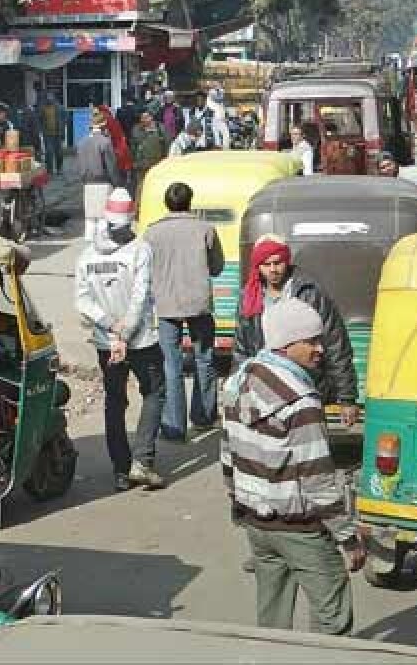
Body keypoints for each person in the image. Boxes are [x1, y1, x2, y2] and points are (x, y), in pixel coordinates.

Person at [222, 297, 365, 635]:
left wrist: (239, 506)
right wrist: (347, 537)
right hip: (300, 529)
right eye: (312, 341)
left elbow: (228, 455)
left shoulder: (237, 382)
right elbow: (318, 481)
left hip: (258, 524)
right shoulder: (301, 400)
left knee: (271, 622)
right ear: (287, 345)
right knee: (333, 616)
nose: (320, 350)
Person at [73, 188, 166, 491]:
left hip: (106, 342)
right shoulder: (140, 249)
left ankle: (121, 472)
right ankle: (142, 460)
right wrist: (124, 331)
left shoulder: (86, 256)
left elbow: (83, 302)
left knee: (115, 402)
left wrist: (109, 327)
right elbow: (140, 298)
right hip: (141, 340)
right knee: (154, 392)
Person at [234, 234, 359, 428]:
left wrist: (347, 398)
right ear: (258, 266)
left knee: (306, 446)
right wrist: (238, 390)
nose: (273, 270)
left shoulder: (310, 293)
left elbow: (335, 344)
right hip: (265, 387)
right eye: (266, 264)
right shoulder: (249, 298)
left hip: (306, 386)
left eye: (278, 263)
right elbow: (242, 349)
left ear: (287, 261)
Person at [143, 182, 224, 440]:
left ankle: (174, 427)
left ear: (167, 204)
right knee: (204, 358)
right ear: (191, 202)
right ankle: (203, 417)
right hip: (198, 303)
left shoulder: (152, 233)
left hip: (166, 306)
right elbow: (217, 267)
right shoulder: (205, 229)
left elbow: (145, 270)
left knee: (171, 364)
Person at [74, 110, 125, 240]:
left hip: (87, 183)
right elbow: (112, 167)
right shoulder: (105, 142)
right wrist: (118, 183)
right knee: (103, 217)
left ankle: (89, 243)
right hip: (103, 182)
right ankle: (103, 242)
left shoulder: (81, 143)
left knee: (90, 217)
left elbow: (79, 166)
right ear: (104, 127)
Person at [131, 111, 168, 183]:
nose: (143, 120)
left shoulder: (160, 128)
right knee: (141, 186)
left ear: (151, 117)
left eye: (146, 117)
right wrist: (134, 163)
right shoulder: (136, 129)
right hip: (141, 166)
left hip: (157, 165)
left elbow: (167, 145)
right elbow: (133, 147)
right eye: (142, 118)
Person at [39, 92, 67, 175]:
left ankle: (59, 169)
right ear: (46, 99)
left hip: (58, 134)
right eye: (48, 99)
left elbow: (65, 117)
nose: (49, 100)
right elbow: (39, 119)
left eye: (51, 98)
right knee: (49, 153)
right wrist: (41, 130)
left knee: (59, 153)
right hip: (47, 135)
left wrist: (63, 126)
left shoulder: (60, 107)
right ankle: (49, 170)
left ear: (54, 99)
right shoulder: (43, 108)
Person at [206, 84, 230, 149]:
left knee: (224, 133)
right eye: (216, 85)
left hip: (218, 117)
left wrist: (225, 117)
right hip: (216, 117)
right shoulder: (211, 93)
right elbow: (217, 99)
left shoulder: (221, 91)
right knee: (221, 132)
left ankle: (222, 146)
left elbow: (221, 100)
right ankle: (220, 146)